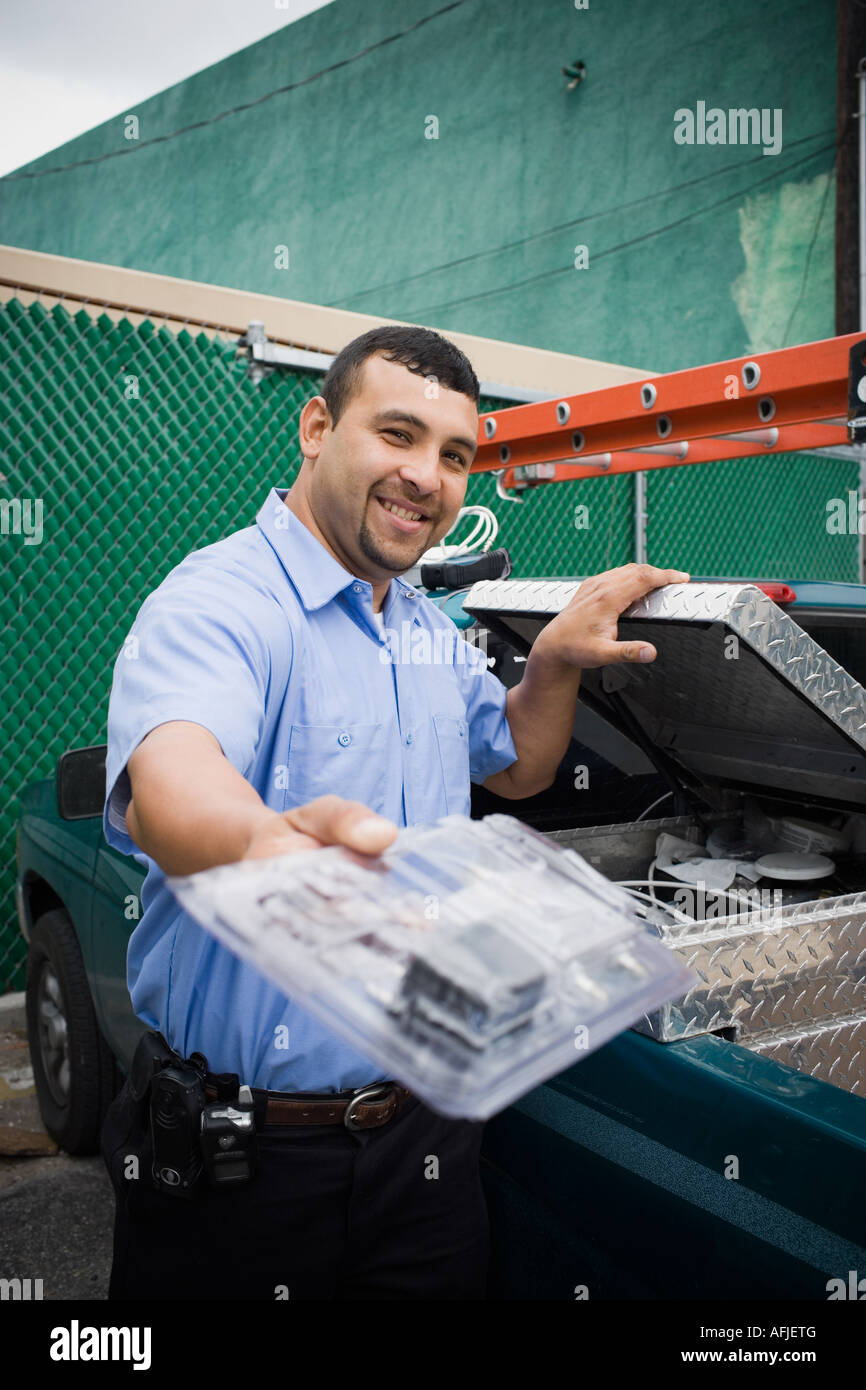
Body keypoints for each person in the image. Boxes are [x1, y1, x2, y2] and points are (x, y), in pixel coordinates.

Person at [100, 322, 689, 1300]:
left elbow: (516, 767)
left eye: (454, 454)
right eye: (397, 435)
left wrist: (548, 664)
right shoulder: (219, 601)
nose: (426, 475)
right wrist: (261, 840)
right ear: (316, 426)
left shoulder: (419, 621)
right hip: (246, 1171)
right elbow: (172, 779)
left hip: (426, 1151)